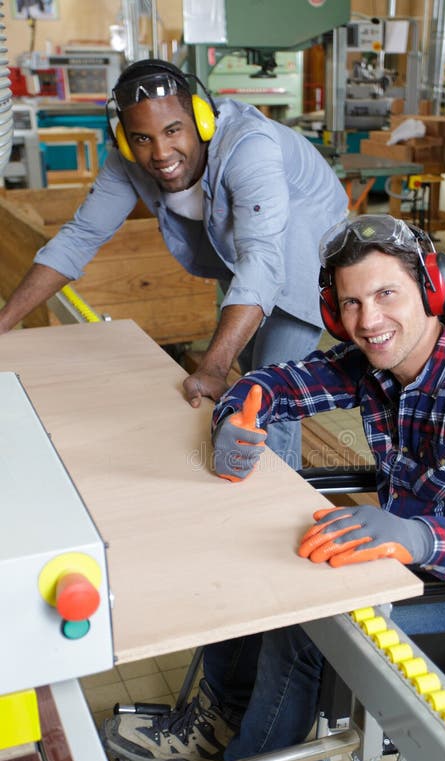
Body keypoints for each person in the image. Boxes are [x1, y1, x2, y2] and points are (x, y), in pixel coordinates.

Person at [103, 214, 445, 761]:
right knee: (257, 561)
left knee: (307, 625)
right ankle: (219, 724)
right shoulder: (374, 368)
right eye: (350, 302)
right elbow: (283, 383)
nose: (367, 319)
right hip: (409, 569)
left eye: (386, 296)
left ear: (433, 291)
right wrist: (243, 410)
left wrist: (417, 536)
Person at [0, 58, 348, 469]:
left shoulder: (250, 147)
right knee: (252, 372)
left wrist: (214, 366)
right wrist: (4, 322)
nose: (161, 153)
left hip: (302, 246)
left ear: (200, 121)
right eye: (142, 138)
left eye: (172, 131)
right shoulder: (128, 162)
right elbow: (79, 237)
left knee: (269, 389)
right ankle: (258, 475)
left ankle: (278, 504)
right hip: (244, 251)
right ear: (126, 141)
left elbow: (264, 260)